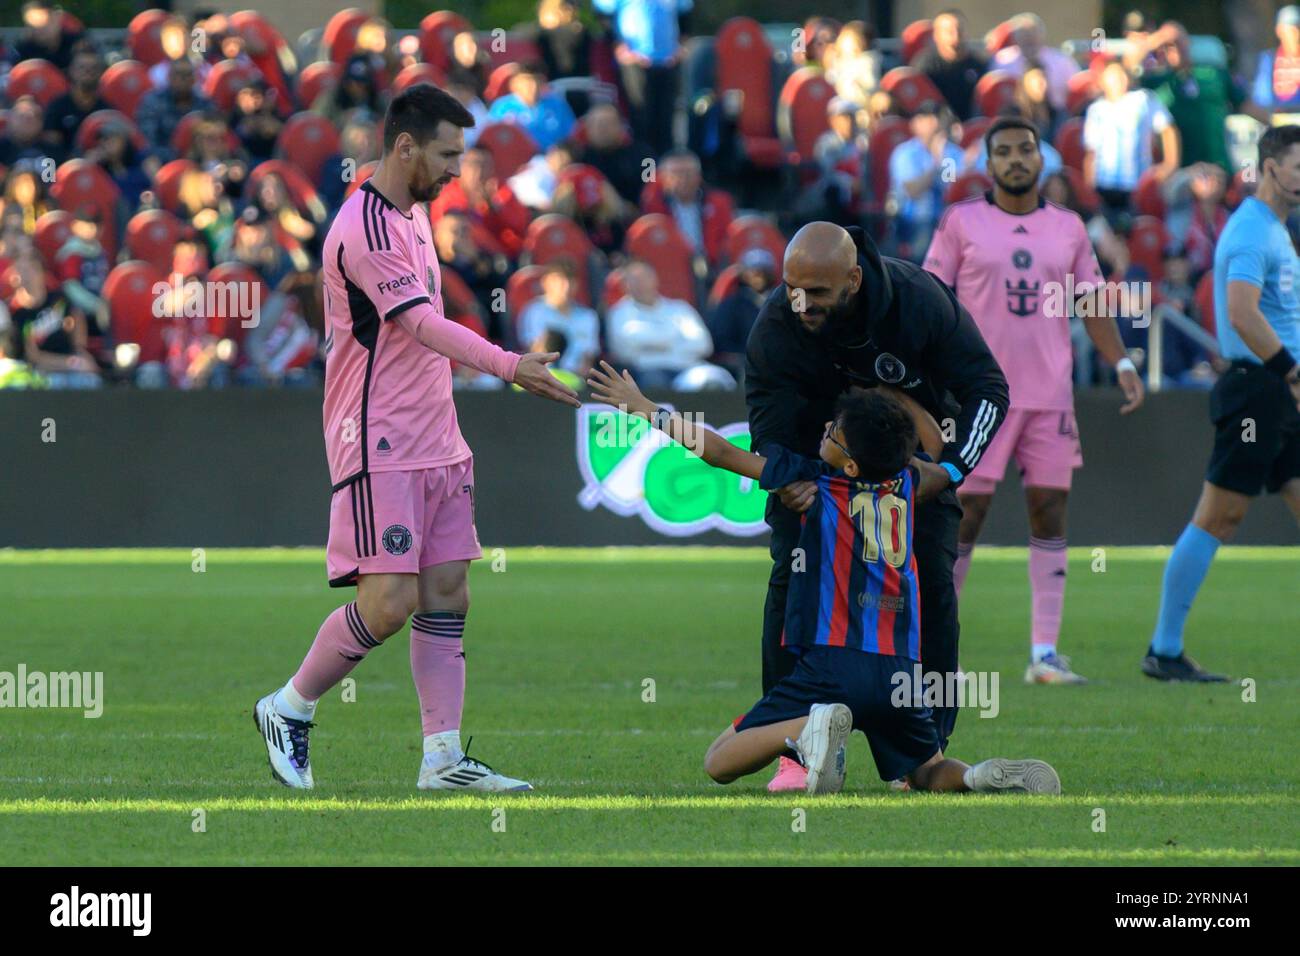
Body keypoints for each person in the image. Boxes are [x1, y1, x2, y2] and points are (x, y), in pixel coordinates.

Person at [252, 83, 581, 792]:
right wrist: (509, 366)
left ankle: (442, 760)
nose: (458, 170)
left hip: (439, 437)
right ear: (405, 148)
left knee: (447, 592)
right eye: (447, 155)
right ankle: (289, 707)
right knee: (388, 604)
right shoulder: (365, 227)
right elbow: (422, 325)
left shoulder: (415, 215)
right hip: (380, 440)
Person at [587, 362, 1060, 796]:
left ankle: (809, 730)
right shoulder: (909, 484)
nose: (826, 429)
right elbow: (937, 449)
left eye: (835, 431)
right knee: (927, 771)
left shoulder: (819, 483)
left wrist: (647, 409)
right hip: (899, 671)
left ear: (849, 464)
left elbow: (720, 452)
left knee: (718, 762)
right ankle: (976, 776)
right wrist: (895, 397)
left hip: (833, 664)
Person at [745, 220, 1009, 791]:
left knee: (932, 588)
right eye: (791, 288)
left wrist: (951, 470)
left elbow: (988, 388)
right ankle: (795, 751)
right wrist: (783, 478)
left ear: (854, 280)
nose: (800, 303)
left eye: (816, 292)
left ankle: (928, 752)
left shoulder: (919, 301)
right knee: (790, 588)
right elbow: (766, 417)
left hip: (909, 476)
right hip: (815, 477)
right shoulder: (776, 324)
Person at [923, 115, 1145, 684]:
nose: (1016, 160)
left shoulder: (1068, 227)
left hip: (1049, 395)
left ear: (1041, 159)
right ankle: (936, 652)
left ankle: (1044, 654)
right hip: (979, 399)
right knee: (964, 516)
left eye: (1025, 150)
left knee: (1049, 512)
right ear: (988, 163)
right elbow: (932, 299)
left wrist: (1122, 362)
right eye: (1004, 152)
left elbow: (1091, 303)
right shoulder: (960, 221)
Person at [1143, 125, 1300, 681]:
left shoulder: (1274, 230)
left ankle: (1165, 649)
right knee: (1218, 516)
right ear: (1270, 167)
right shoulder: (1253, 231)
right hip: (1260, 390)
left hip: (1277, 391)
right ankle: (1164, 649)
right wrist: (1292, 372)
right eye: (1298, 166)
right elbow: (1241, 313)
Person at [1083, 58, 1179, 220]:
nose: (1118, 79)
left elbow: (1167, 129)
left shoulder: (1143, 100)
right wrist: (1089, 189)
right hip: (1104, 185)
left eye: (1122, 74)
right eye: (1112, 75)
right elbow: (1091, 152)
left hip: (1137, 185)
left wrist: (1170, 164)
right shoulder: (1096, 109)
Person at [594, 0, 690, 156]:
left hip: (667, 61)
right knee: (641, 117)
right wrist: (618, 45)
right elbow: (603, 14)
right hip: (634, 61)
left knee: (666, 119)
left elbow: (684, 13)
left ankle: (663, 167)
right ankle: (644, 166)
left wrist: (681, 45)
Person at [606, 259, 715, 388]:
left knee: (714, 380)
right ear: (625, 285)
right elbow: (624, 350)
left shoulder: (680, 309)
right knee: (654, 382)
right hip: (646, 373)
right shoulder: (619, 313)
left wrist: (651, 346)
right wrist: (675, 338)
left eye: (645, 277)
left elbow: (703, 344)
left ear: (655, 279)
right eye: (634, 280)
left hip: (688, 370)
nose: (641, 284)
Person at [888, 104, 965, 259]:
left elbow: (951, 191)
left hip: (947, 219)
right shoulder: (905, 153)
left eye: (936, 118)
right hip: (914, 221)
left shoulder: (951, 153)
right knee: (925, 236)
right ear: (914, 123)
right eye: (926, 118)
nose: (934, 123)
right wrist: (936, 162)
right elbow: (912, 191)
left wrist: (943, 157)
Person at [641, 148, 734, 270]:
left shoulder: (719, 204)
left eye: (689, 173)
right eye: (676, 174)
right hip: (670, 270)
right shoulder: (653, 207)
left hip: (713, 268)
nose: (683, 179)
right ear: (663, 178)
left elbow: (729, 241)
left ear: (699, 176)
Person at [518, 260, 600, 374]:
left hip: (576, 380)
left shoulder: (588, 317)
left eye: (570, 280)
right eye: (559, 280)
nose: (566, 286)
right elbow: (534, 351)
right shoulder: (534, 312)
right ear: (545, 282)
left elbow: (587, 361)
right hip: (544, 377)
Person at [708, 247, 776, 378]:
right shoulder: (732, 305)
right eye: (753, 270)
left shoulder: (780, 304)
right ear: (743, 274)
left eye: (763, 270)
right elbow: (721, 340)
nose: (758, 275)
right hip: (741, 368)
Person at [913, 9, 986, 121]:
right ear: (936, 35)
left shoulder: (978, 65)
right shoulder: (925, 66)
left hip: (971, 125)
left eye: (960, 31)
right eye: (949, 32)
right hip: (938, 127)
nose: (956, 37)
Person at [487, 62, 577, 151]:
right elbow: (492, 141)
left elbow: (571, 139)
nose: (533, 86)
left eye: (537, 80)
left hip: (551, 157)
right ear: (514, 84)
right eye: (527, 81)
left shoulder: (557, 105)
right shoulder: (501, 108)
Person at [1252, 5, 1300, 118]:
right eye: (1290, 27)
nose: (1295, 32)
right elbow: (1261, 96)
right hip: (1277, 117)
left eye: (1297, 27)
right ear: (1279, 30)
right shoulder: (1268, 59)